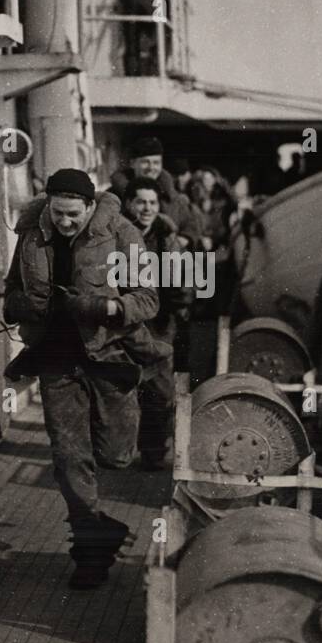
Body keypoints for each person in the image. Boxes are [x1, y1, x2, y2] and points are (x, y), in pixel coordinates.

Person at [2, 169, 162, 588]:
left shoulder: (123, 234)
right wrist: (26, 306)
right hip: (57, 359)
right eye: (58, 213)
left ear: (90, 208)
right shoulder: (32, 233)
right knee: (69, 457)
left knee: (117, 455)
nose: (65, 222)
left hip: (110, 356)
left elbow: (148, 299)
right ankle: (90, 552)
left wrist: (102, 308)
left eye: (73, 214)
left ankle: (102, 527)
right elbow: (11, 288)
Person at [122, 177, 192, 469]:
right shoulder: (116, 234)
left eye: (152, 202)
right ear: (129, 204)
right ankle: (117, 452)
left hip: (160, 324)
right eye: (141, 202)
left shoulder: (167, 237)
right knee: (120, 390)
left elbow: (183, 277)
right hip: (123, 322)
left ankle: (152, 453)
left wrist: (181, 308)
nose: (147, 208)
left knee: (161, 392)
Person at [109, 136, 203, 250]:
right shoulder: (112, 197)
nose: (151, 167)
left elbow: (191, 222)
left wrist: (185, 238)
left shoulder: (172, 195)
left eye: (156, 162)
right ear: (133, 163)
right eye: (145, 162)